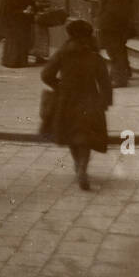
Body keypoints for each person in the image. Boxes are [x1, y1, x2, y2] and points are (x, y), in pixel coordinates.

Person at [41, 19, 112, 190]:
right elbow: (104, 82)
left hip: (66, 99)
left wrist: (58, 85)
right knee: (85, 136)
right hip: (89, 100)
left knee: (72, 134)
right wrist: (105, 101)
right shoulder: (95, 56)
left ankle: (77, 165)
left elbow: (46, 74)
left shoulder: (62, 53)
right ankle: (82, 167)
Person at [95, 0, 134, 88]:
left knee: (114, 50)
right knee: (120, 48)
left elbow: (109, 7)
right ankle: (124, 73)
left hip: (111, 23)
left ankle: (120, 79)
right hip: (121, 22)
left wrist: (101, 23)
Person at [0, 0, 34, 68]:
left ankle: (22, 61)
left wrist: (31, 10)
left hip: (24, 23)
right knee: (14, 43)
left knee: (23, 42)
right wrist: (22, 12)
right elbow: (6, 12)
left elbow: (32, 6)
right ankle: (12, 61)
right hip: (13, 24)